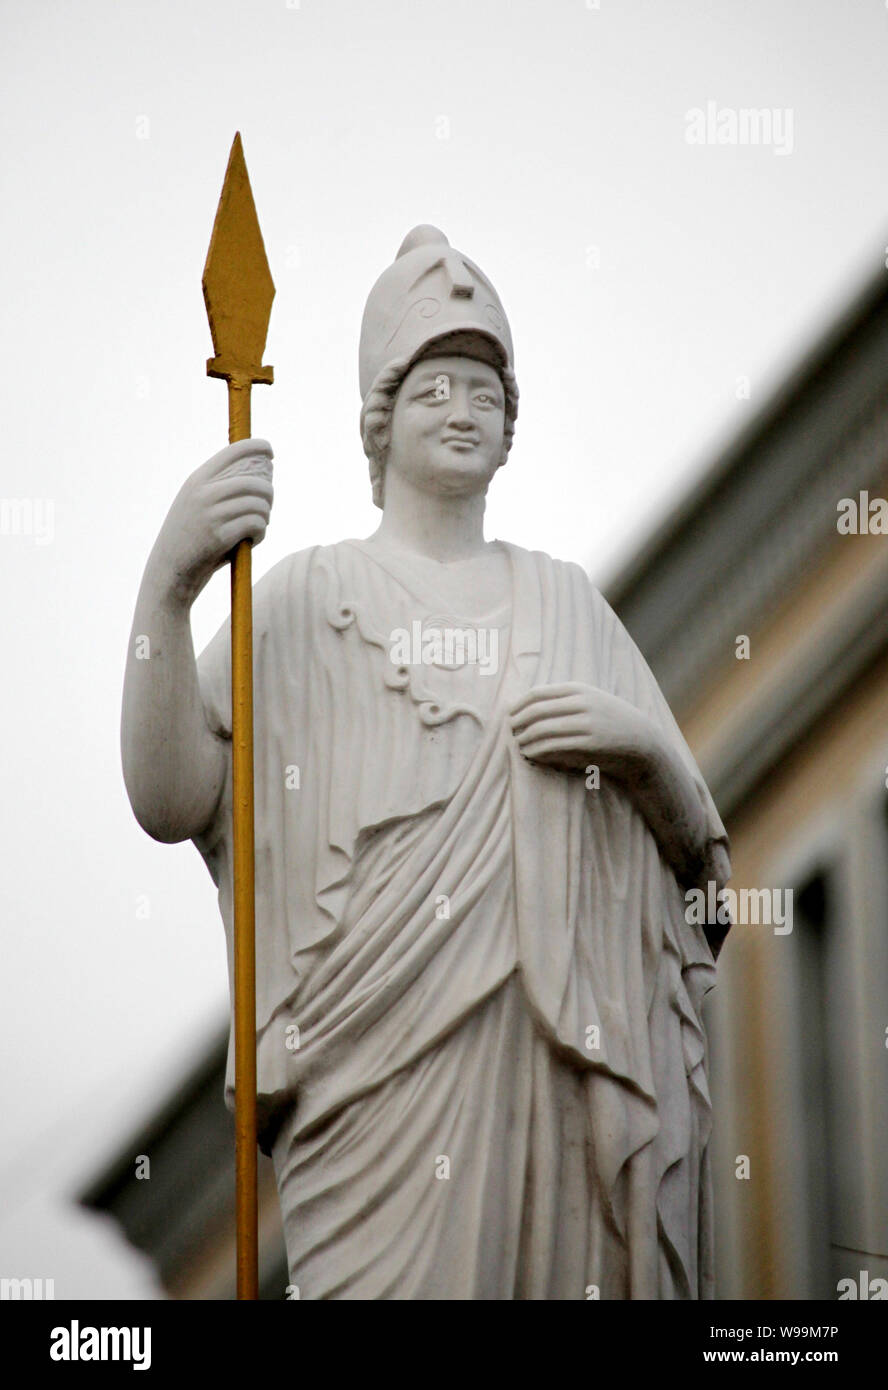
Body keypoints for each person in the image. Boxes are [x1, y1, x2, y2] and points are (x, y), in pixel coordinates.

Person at [121, 224, 731, 1299]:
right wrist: (169, 583)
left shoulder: (567, 606)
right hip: (366, 1091)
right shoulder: (303, 600)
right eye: (434, 388)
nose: (462, 411)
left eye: (486, 392)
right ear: (380, 418)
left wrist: (644, 754)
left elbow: (709, 896)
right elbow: (171, 796)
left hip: (548, 1078)